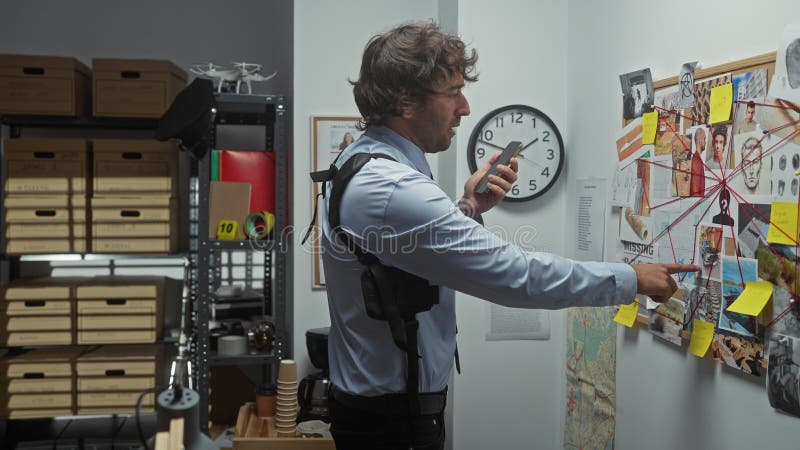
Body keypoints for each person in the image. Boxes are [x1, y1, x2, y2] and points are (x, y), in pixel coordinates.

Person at [318, 22, 698, 450]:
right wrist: (631, 279)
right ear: (406, 101)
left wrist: (469, 209)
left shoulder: (366, 161)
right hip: (389, 425)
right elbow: (516, 275)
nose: (464, 107)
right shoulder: (388, 187)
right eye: (452, 93)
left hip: (380, 412)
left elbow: (402, 252)